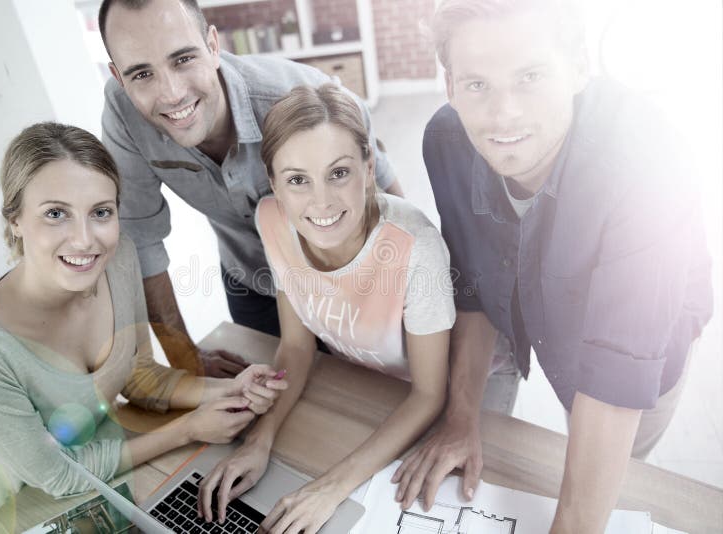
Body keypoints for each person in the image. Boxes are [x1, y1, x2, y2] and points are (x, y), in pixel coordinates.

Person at [391, 1, 714, 532]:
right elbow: (471, 287)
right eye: (477, 84)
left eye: (530, 76)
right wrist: (460, 416)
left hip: (646, 352)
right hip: (544, 311)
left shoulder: (650, 162)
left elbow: (618, 370)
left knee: (618, 485)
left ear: (579, 67)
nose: (504, 114)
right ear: (449, 86)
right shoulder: (445, 141)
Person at [0, 122, 287, 519]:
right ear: (15, 219)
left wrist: (226, 390)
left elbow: (137, 375)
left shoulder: (119, 257)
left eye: (101, 212)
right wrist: (188, 429)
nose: (86, 240)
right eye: (56, 214)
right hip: (34, 509)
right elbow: (56, 477)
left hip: (116, 470)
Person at [193, 84, 454, 533]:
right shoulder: (272, 220)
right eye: (297, 180)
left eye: (339, 173)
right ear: (274, 183)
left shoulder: (416, 247)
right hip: (364, 384)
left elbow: (430, 393)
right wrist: (260, 440)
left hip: (443, 389)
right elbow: (296, 347)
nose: (321, 202)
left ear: (369, 168)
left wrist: (330, 488)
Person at [98, 0, 402, 378]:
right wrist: (184, 356)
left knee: (366, 394)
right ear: (118, 76)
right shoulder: (123, 116)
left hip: (342, 281)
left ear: (213, 46)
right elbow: (140, 240)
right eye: (142, 74)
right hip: (249, 279)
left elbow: (386, 196)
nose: (172, 94)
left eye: (182, 59)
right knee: (282, 402)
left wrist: (404, 296)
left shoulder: (296, 96)